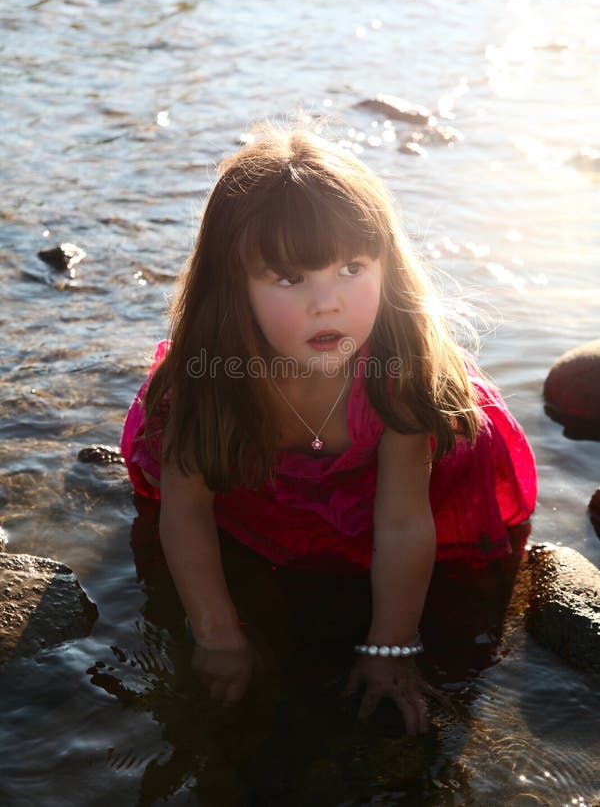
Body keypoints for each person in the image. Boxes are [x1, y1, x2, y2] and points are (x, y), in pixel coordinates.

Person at [121, 124, 537, 734]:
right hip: (258, 485)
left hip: (388, 495)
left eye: (352, 267)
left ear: (387, 265)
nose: (328, 303)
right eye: (290, 279)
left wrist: (390, 646)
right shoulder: (209, 380)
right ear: (232, 286)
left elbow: (402, 523)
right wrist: (218, 635)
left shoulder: (397, 372)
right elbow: (186, 513)